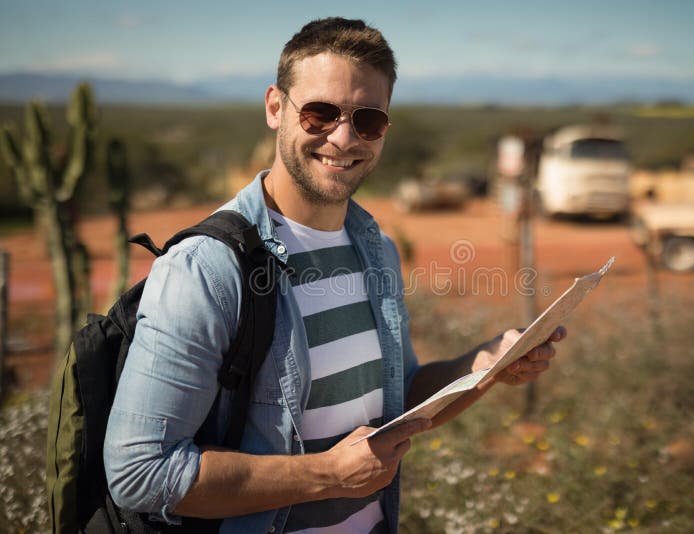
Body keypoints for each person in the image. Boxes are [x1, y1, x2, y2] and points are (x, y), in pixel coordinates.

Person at [104, 17, 566, 534]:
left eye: (367, 119)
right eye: (319, 113)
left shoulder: (376, 251)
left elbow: (400, 399)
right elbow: (141, 473)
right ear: (276, 108)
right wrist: (325, 475)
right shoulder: (205, 270)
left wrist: (483, 367)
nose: (343, 138)